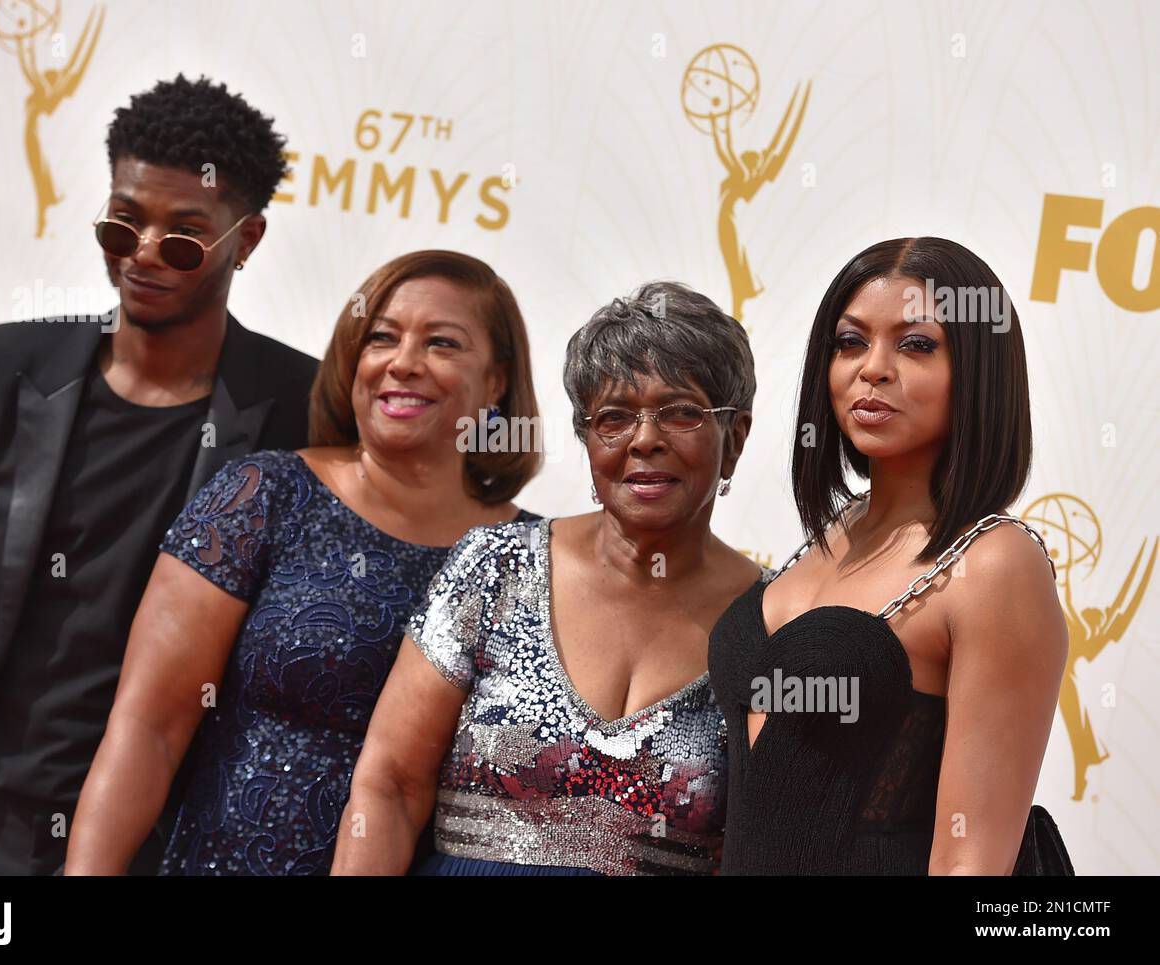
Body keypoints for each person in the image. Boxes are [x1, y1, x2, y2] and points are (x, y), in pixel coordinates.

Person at [0, 75, 317, 876]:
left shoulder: (297, 403)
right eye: (123, 224)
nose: (145, 256)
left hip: (155, 832)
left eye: (185, 237)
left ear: (247, 240)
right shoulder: (12, 363)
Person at [64, 250, 541, 875]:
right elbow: (148, 728)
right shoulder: (265, 494)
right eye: (383, 337)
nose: (403, 362)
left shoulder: (531, 560)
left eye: (442, 343)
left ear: (498, 381)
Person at [332, 281, 763, 876]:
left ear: (734, 438)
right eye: (613, 418)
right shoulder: (495, 567)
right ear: (587, 439)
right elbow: (390, 787)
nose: (644, 440)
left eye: (682, 413)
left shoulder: (769, 617)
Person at [707, 236, 1071, 875]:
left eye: (916, 344)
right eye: (851, 342)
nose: (872, 368)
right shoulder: (827, 537)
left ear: (980, 372)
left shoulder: (993, 563)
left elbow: (972, 860)